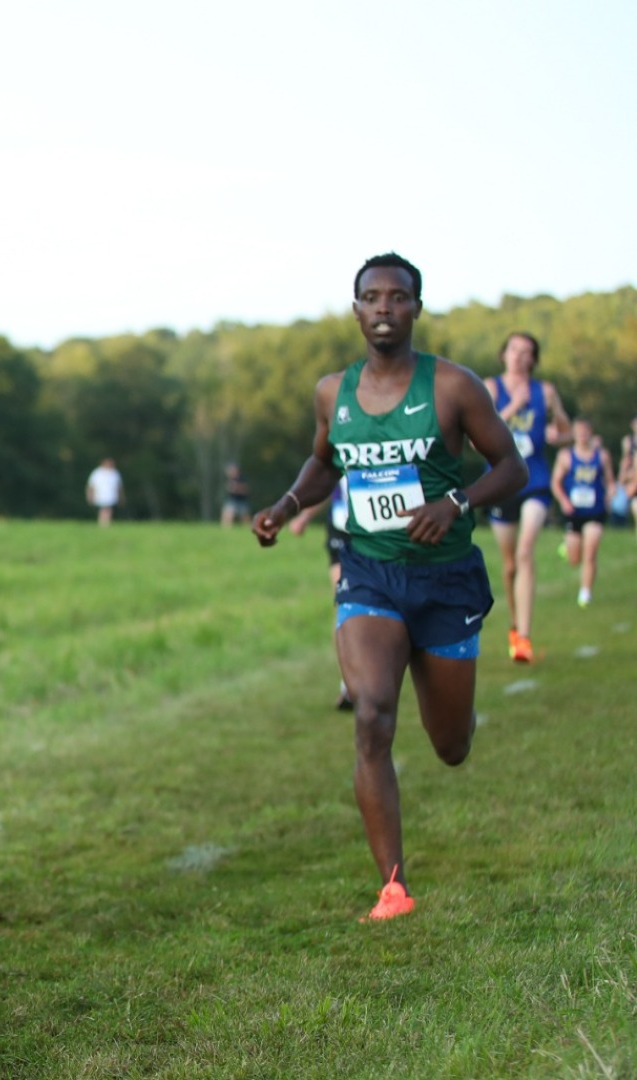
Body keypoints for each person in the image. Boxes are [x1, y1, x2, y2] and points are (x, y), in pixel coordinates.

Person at [252, 253, 525, 923]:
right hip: (369, 571)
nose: (382, 308)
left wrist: (454, 504)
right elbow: (323, 464)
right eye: (369, 297)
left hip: (445, 581)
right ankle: (392, 886)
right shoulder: (331, 393)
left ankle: (448, 721)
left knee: (450, 745)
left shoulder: (452, 387)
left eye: (395, 297)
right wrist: (285, 508)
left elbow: (511, 466)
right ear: (354, 311)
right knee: (371, 714)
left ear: (414, 309)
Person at [483, 331, 571, 662]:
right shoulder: (490, 388)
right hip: (499, 483)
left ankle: (524, 636)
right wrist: (515, 406)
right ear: (504, 354)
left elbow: (565, 434)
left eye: (527, 352)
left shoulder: (545, 391)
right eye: (514, 350)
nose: (520, 356)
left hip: (534, 481)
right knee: (509, 566)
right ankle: (514, 624)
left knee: (525, 553)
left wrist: (558, 432)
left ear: (534, 359)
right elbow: (481, 434)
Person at [287, 477, 353, 710]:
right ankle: (349, 683)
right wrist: (304, 517)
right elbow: (325, 483)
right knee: (345, 603)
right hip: (342, 531)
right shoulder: (339, 442)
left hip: (379, 533)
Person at [553, 416, 610, 606]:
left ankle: (585, 593)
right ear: (574, 434)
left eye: (586, 431)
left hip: (595, 511)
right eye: (579, 431)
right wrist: (564, 501)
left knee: (590, 551)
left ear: (590, 432)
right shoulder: (566, 456)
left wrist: (610, 495)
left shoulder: (601, 456)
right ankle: (567, 548)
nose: (582, 435)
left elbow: (609, 481)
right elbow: (556, 483)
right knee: (574, 559)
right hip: (574, 511)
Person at [86, 457, 122, 526]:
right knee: (104, 509)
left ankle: (106, 522)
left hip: (111, 495)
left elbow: (119, 486)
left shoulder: (114, 473)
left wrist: (120, 496)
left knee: (108, 509)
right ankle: (102, 523)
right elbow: (91, 485)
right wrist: (90, 495)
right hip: (100, 494)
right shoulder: (97, 473)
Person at [220, 463, 250, 527]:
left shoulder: (241, 479)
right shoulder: (231, 480)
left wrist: (237, 488)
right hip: (232, 500)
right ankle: (226, 529)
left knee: (245, 518)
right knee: (227, 515)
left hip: (241, 500)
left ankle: (247, 528)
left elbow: (245, 490)